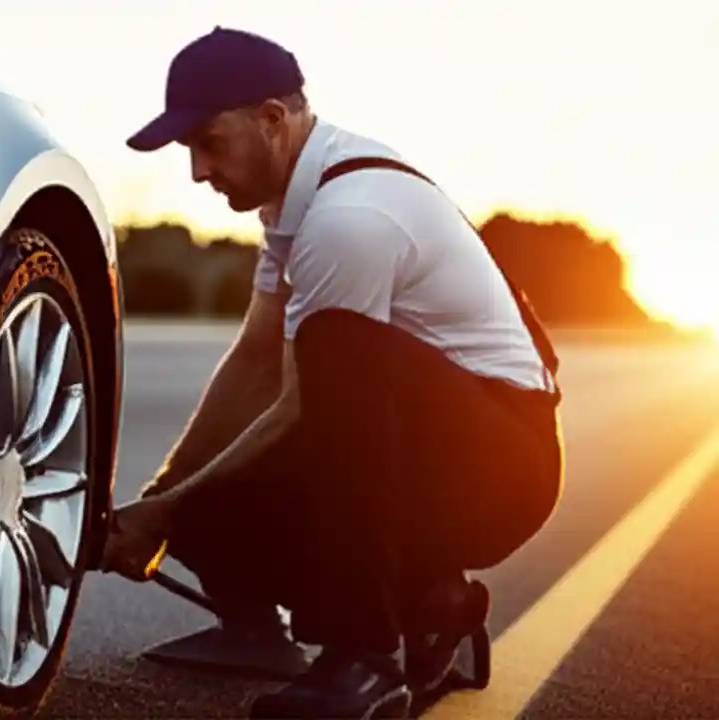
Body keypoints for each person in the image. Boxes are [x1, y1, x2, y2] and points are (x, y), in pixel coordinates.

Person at [100, 26, 565, 719]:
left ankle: (367, 655)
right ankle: (427, 604)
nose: (197, 170)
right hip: (431, 449)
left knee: (334, 365)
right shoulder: (295, 208)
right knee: (199, 499)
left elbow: (305, 410)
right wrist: (160, 500)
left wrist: (166, 513)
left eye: (209, 143)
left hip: (506, 465)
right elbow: (254, 361)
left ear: (271, 120)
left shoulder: (351, 217)